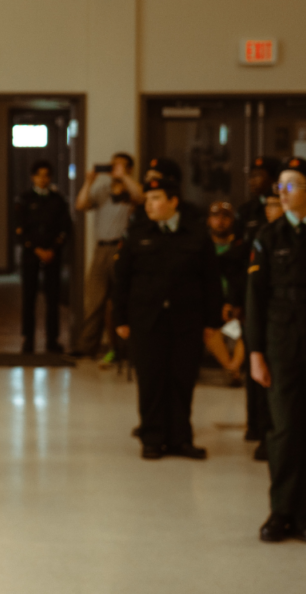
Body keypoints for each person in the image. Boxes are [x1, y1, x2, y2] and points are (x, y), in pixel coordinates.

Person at [243, 157, 306, 544]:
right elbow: (255, 299)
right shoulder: (268, 238)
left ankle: (304, 515)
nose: (281, 193)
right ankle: (279, 511)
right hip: (281, 344)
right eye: (280, 187)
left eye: (291, 186)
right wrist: (255, 352)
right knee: (284, 431)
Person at [114, 177, 221, 460]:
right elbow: (121, 280)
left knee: (182, 379)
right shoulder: (137, 234)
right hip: (147, 320)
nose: (149, 204)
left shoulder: (196, 235)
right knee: (150, 379)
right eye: (147, 199)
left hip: (186, 320)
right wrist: (120, 319)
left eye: (156, 198)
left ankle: (180, 438)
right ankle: (152, 437)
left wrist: (212, 323)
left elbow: (211, 281)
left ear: (173, 202)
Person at [75, 152, 142, 360]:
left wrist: (125, 178)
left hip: (123, 250)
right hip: (101, 249)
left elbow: (141, 197)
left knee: (122, 301)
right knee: (94, 300)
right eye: (112, 166)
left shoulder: (132, 189)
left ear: (129, 169)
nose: (114, 170)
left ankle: (125, 350)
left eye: (120, 166)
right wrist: (88, 182)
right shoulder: (102, 190)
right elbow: (80, 205)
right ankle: (86, 347)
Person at [12, 160, 71, 353]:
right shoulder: (24, 199)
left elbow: (64, 227)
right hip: (31, 254)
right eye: (39, 175)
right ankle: (28, 339)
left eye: (46, 175)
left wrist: (52, 249)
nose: (43, 179)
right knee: (29, 298)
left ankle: (52, 339)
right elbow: (20, 229)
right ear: (33, 177)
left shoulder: (57, 200)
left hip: (52, 254)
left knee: (52, 299)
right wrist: (36, 249)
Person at [204, 202, 247, 388]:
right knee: (208, 330)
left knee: (247, 329)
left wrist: (233, 302)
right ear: (208, 220)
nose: (220, 221)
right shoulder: (202, 247)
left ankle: (233, 368)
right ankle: (231, 369)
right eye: (216, 216)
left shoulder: (241, 246)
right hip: (209, 304)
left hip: (236, 303)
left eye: (225, 217)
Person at [236, 156, 281, 243]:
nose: (251, 181)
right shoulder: (246, 210)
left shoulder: (285, 205)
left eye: (258, 175)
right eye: (251, 176)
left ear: (273, 178)